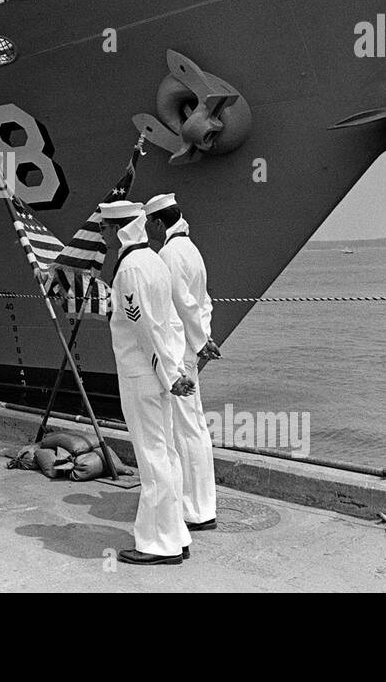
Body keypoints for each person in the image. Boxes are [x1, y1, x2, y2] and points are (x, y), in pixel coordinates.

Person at [99, 200, 193, 565]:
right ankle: (176, 534)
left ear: (120, 228)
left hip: (143, 375)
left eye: (107, 227)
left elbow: (145, 327)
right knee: (167, 454)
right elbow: (169, 323)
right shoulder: (154, 260)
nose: (104, 234)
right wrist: (176, 368)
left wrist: (169, 375)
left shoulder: (131, 269)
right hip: (160, 372)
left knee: (152, 459)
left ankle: (157, 544)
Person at [144, 193, 218, 530]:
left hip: (179, 352)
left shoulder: (170, 254)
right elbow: (205, 303)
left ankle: (196, 511)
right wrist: (204, 338)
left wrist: (199, 344)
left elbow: (182, 303)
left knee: (185, 430)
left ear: (159, 222)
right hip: (190, 346)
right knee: (196, 428)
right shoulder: (193, 250)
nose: (148, 229)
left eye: (150, 223)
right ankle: (203, 505)